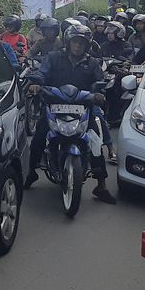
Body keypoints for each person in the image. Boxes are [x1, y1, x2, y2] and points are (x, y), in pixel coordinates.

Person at [25, 24, 115, 204]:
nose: (77, 46)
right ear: (68, 42)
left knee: (95, 140)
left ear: (87, 45)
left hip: (83, 107)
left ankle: (101, 185)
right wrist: (36, 84)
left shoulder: (92, 63)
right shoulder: (53, 57)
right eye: (75, 42)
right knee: (39, 137)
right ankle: (31, 172)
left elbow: (100, 83)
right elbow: (42, 74)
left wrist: (100, 94)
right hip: (54, 104)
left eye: (81, 43)